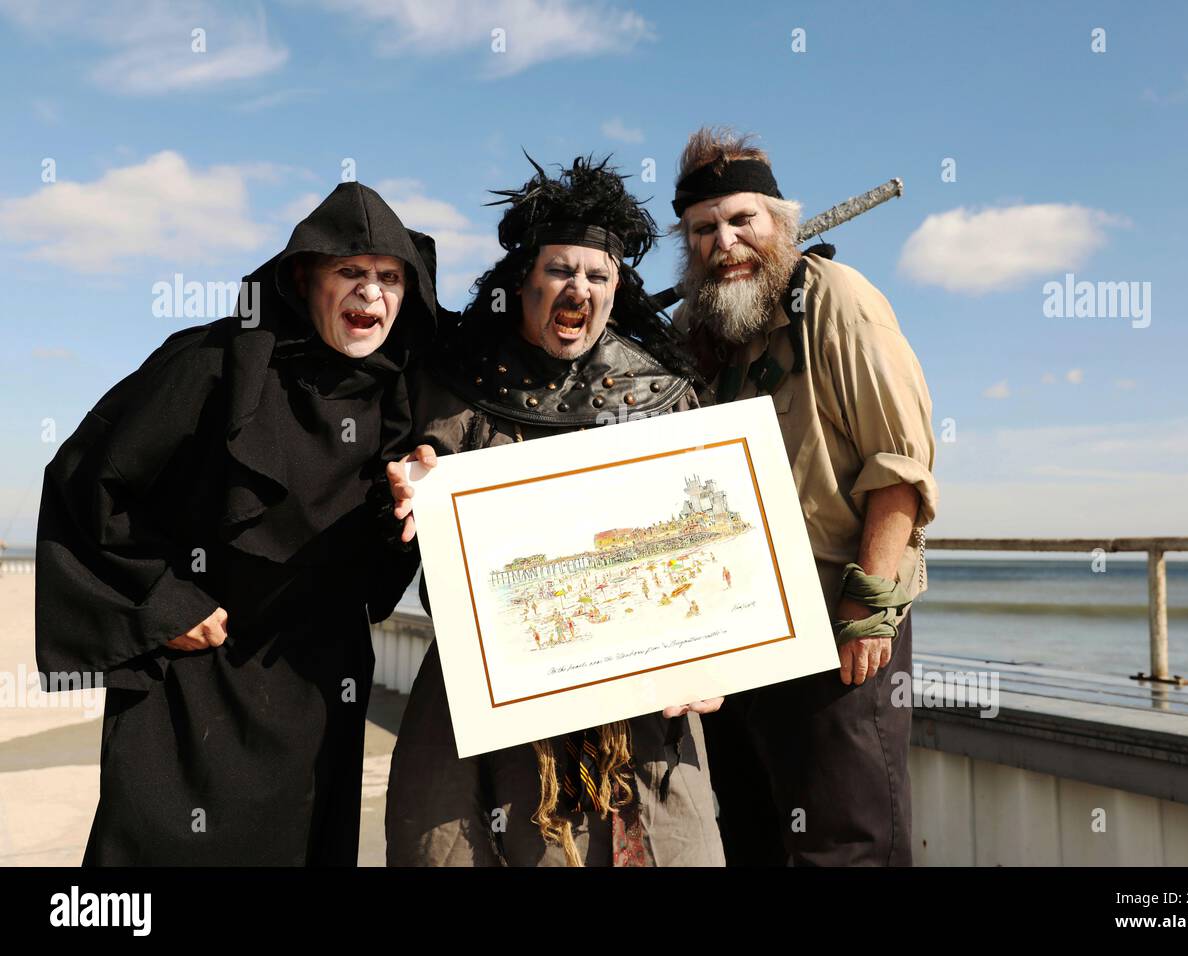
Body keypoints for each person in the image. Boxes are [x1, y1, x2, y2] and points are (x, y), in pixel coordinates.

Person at [34, 182, 439, 865]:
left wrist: (405, 505)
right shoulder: (212, 364)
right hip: (194, 675)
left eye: (390, 278)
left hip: (319, 687)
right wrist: (165, 604)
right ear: (304, 278)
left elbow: (377, 569)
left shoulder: (403, 395)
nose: (372, 293)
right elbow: (84, 482)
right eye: (350, 271)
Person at [384, 155, 725, 867]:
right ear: (523, 282)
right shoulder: (456, 387)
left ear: (616, 288)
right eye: (561, 271)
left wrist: (714, 655)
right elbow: (412, 499)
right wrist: (410, 485)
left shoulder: (664, 395)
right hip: (488, 679)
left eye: (597, 275)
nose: (579, 288)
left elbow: (712, 551)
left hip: (636, 696)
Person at [669, 128, 939, 866]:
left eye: (742, 220)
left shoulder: (839, 301)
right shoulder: (697, 329)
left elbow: (899, 465)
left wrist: (867, 609)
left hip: (838, 615)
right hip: (739, 626)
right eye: (703, 229)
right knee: (751, 834)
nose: (725, 242)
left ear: (781, 223)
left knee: (845, 842)